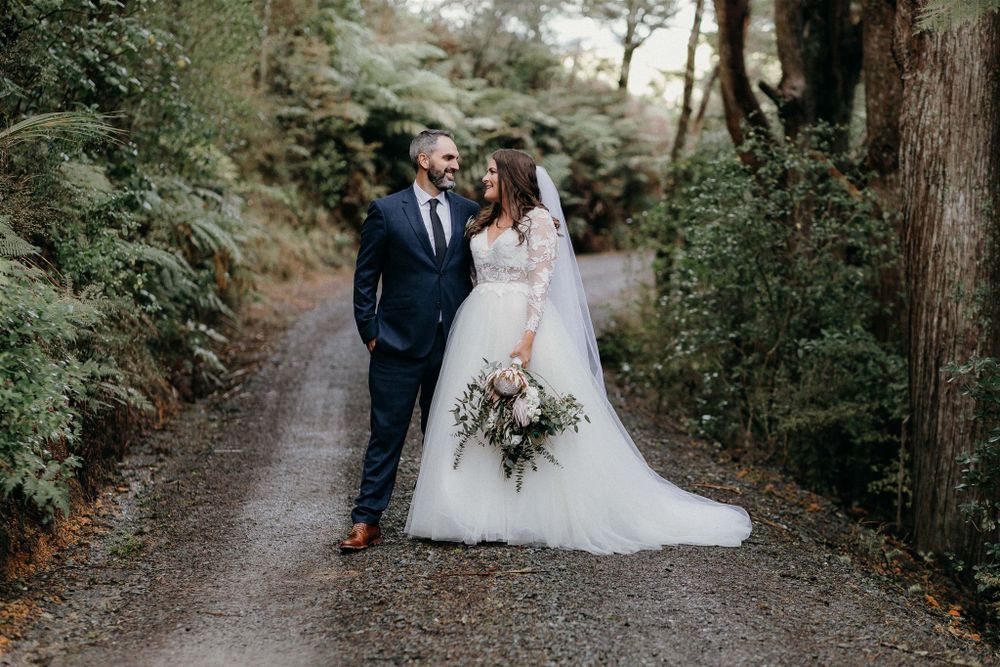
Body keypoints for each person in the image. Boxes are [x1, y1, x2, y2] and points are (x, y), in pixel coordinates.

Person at [405, 149, 752, 555]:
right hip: (477, 323)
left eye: (492, 171)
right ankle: (464, 509)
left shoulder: (537, 221)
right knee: (477, 414)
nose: (483, 177)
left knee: (525, 412)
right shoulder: (480, 221)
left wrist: (528, 337)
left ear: (513, 178)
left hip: (521, 324)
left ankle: (528, 511)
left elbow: (541, 282)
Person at [341, 130, 481, 552]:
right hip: (396, 345)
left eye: (457, 159)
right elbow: (365, 278)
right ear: (424, 160)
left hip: (453, 343)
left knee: (448, 432)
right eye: (449, 157)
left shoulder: (470, 212)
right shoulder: (386, 211)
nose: (456, 165)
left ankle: (447, 515)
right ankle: (366, 520)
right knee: (386, 434)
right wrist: (370, 333)